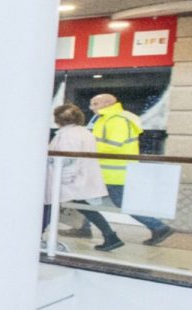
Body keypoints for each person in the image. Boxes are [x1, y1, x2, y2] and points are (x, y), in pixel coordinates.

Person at [88, 93, 174, 246]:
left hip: (115, 172)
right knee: (86, 197)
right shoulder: (108, 118)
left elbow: (114, 146)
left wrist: (89, 146)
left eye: (95, 103)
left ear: (107, 103)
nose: (91, 107)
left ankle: (158, 226)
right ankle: (83, 226)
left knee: (122, 202)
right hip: (109, 170)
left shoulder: (117, 120)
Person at [46, 103, 122, 251]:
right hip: (78, 179)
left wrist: (62, 181)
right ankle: (110, 236)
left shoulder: (68, 136)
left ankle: (38, 235)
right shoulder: (83, 132)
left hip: (69, 181)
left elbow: (68, 160)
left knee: (49, 206)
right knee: (85, 208)